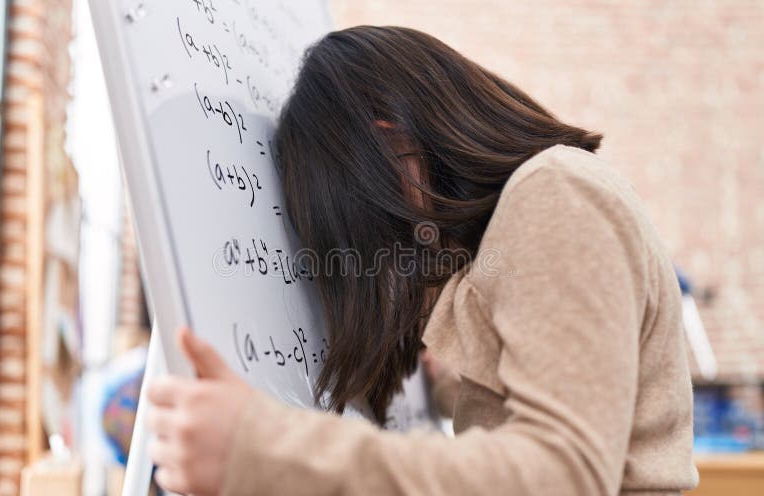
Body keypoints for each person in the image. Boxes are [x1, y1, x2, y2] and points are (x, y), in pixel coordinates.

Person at [145, 26, 699, 495]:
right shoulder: (548, 199)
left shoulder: (554, 194)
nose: (387, 270)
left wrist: (264, 449)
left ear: (395, 153)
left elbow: (563, 472)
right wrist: (458, 382)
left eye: (365, 235)